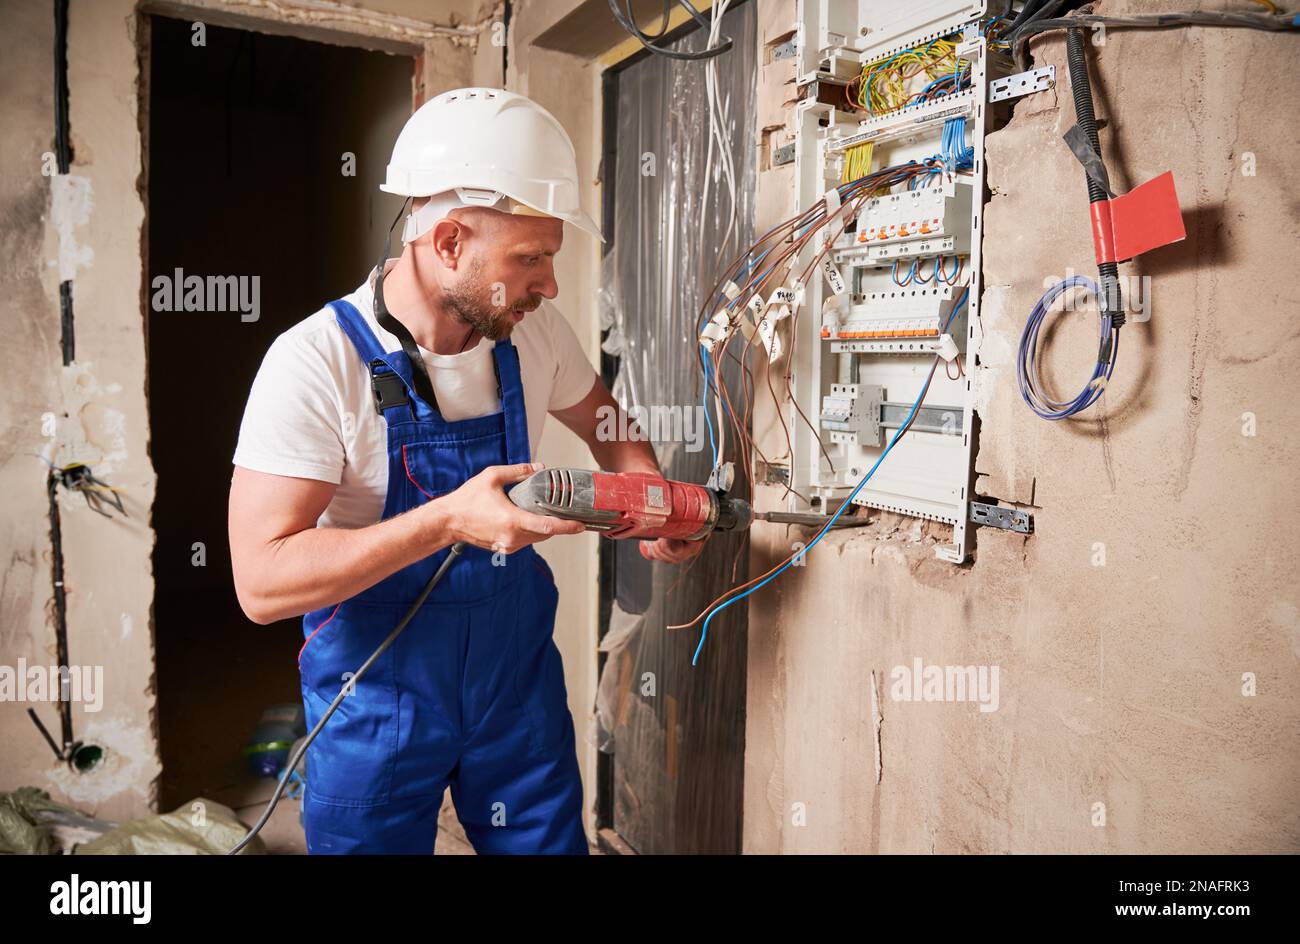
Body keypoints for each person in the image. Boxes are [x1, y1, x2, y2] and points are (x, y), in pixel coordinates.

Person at [228, 87, 703, 854]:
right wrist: (448, 517)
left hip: (513, 688)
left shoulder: (534, 332)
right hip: (377, 697)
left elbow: (608, 426)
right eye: (530, 259)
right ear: (448, 242)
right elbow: (262, 582)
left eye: (551, 257)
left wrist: (649, 495)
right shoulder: (315, 364)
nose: (549, 284)